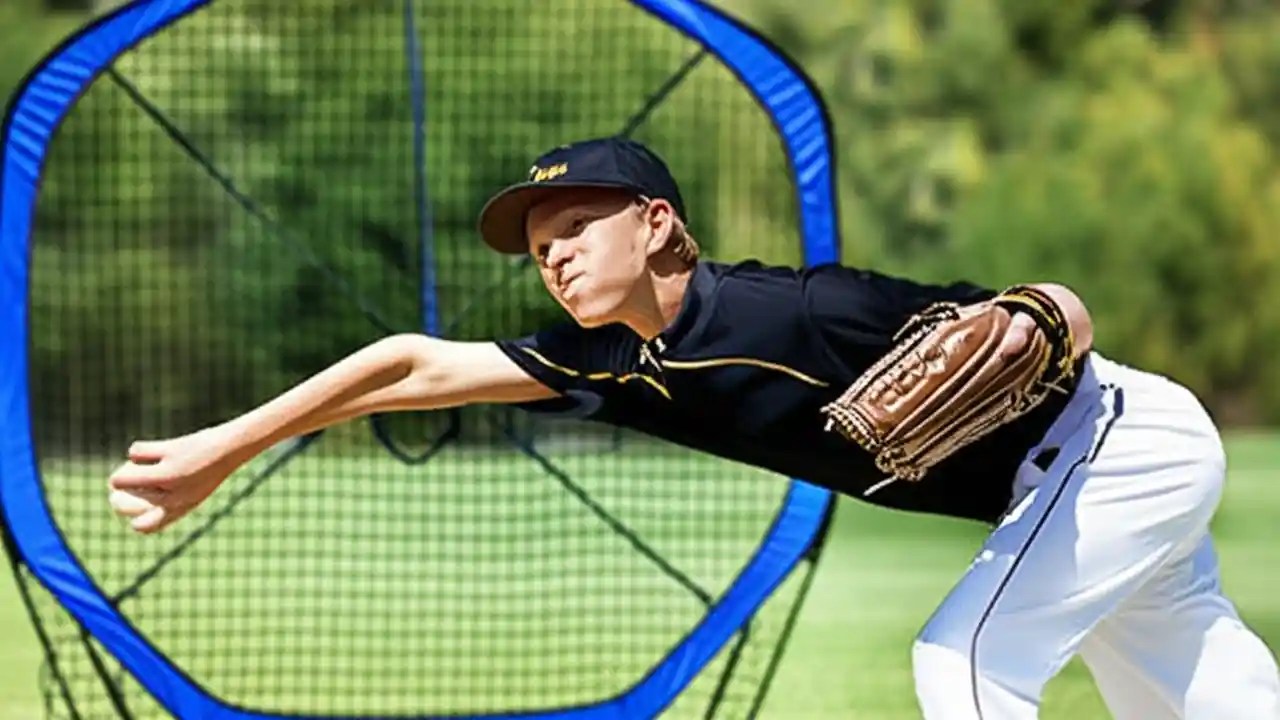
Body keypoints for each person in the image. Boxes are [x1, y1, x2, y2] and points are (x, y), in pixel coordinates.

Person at [107, 137, 1280, 719]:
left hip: (1111, 442)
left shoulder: (789, 309)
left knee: (960, 659)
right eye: (535, 243)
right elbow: (411, 363)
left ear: (657, 224)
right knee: (1195, 687)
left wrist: (1039, 314)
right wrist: (220, 449)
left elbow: (1051, 311)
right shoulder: (608, 358)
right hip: (1073, 483)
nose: (550, 251)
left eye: (573, 223)